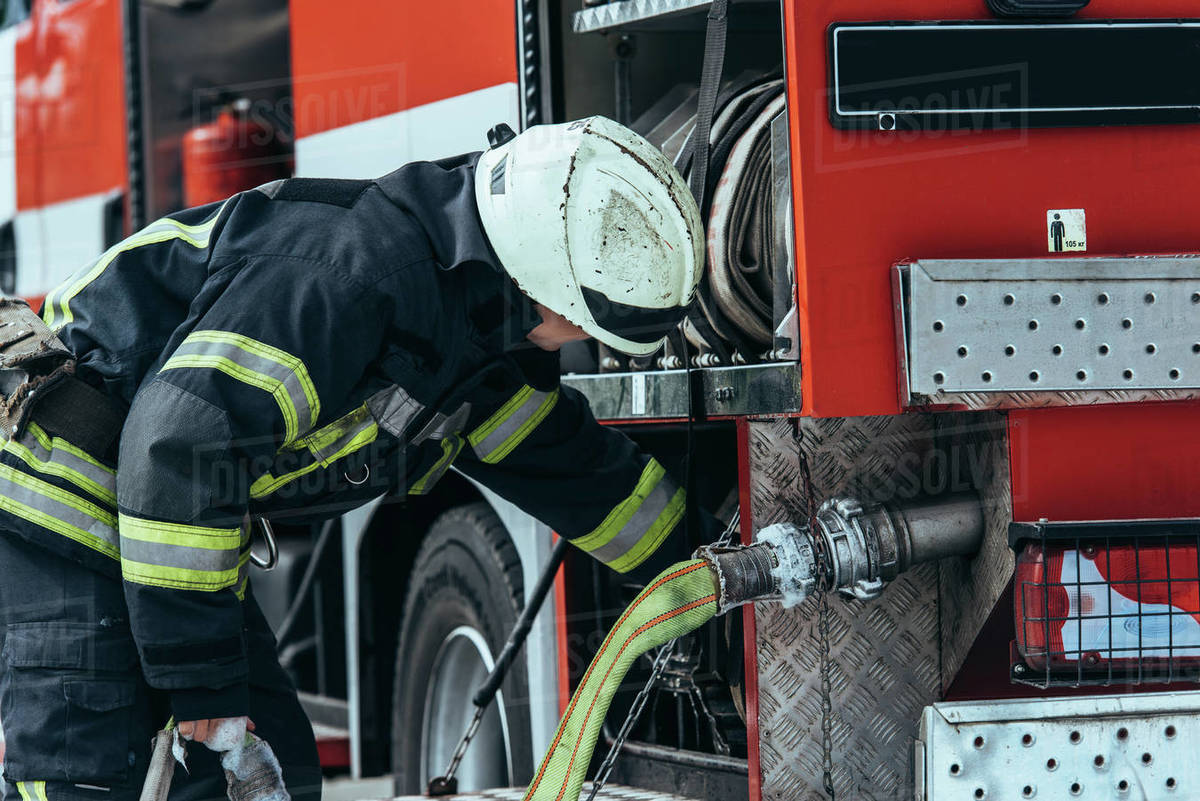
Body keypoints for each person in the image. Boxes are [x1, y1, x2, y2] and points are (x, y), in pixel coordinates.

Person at [0, 116, 704, 801]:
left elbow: (570, 468)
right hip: (68, 498)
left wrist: (698, 573)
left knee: (280, 769)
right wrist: (205, 687)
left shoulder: (471, 331)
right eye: (585, 317)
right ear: (547, 276)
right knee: (95, 773)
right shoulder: (347, 276)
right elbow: (178, 445)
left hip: (154, 517)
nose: (582, 335)